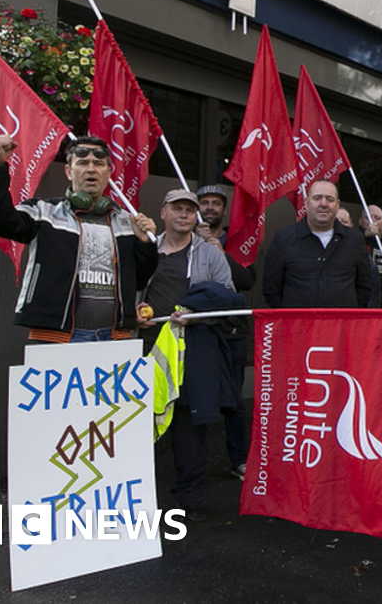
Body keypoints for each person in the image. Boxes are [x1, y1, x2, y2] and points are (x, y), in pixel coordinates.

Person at [0, 134, 158, 343]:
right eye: (82, 163)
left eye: (99, 164)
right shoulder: (42, 212)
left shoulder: (127, 221)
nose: (91, 169)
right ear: (68, 171)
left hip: (115, 337)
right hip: (57, 335)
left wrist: (145, 243)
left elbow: (140, 280)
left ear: (108, 173)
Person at [136, 189, 236, 522]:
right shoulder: (146, 248)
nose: (184, 215)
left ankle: (187, 500)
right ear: (162, 212)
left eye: (189, 211)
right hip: (148, 349)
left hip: (193, 351)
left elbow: (229, 299)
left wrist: (195, 311)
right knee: (139, 422)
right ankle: (137, 495)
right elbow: (130, 288)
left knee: (188, 428)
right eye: (177, 209)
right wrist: (135, 310)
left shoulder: (210, 254)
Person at [195, 184, 258, 482]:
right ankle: (190, 463)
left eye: (215, 203)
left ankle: (238, 460)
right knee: (192, 397)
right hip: (196, 331)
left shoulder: (237, 241)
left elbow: (247, 280)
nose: (209, 208)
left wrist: (222, 254)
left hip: (231, 330)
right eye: (204, 203)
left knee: (233, 399)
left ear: (224, 209)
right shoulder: (185, 238)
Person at [262, 180, 373, 308]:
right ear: (306, 202)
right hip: (297, 325)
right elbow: (271, 289)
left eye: (329, 199)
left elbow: (364, 286)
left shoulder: (355, 240)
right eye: (317, 198)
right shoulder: (283, 239)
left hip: (342, 325)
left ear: (337, 204)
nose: (323, 204)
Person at [359, 204, 382, 308]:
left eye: (377, 218)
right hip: (365, 302)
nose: (372, 221)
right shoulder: (354, 239)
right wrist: (364, 236)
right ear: (360, 221)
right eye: (368, 218)